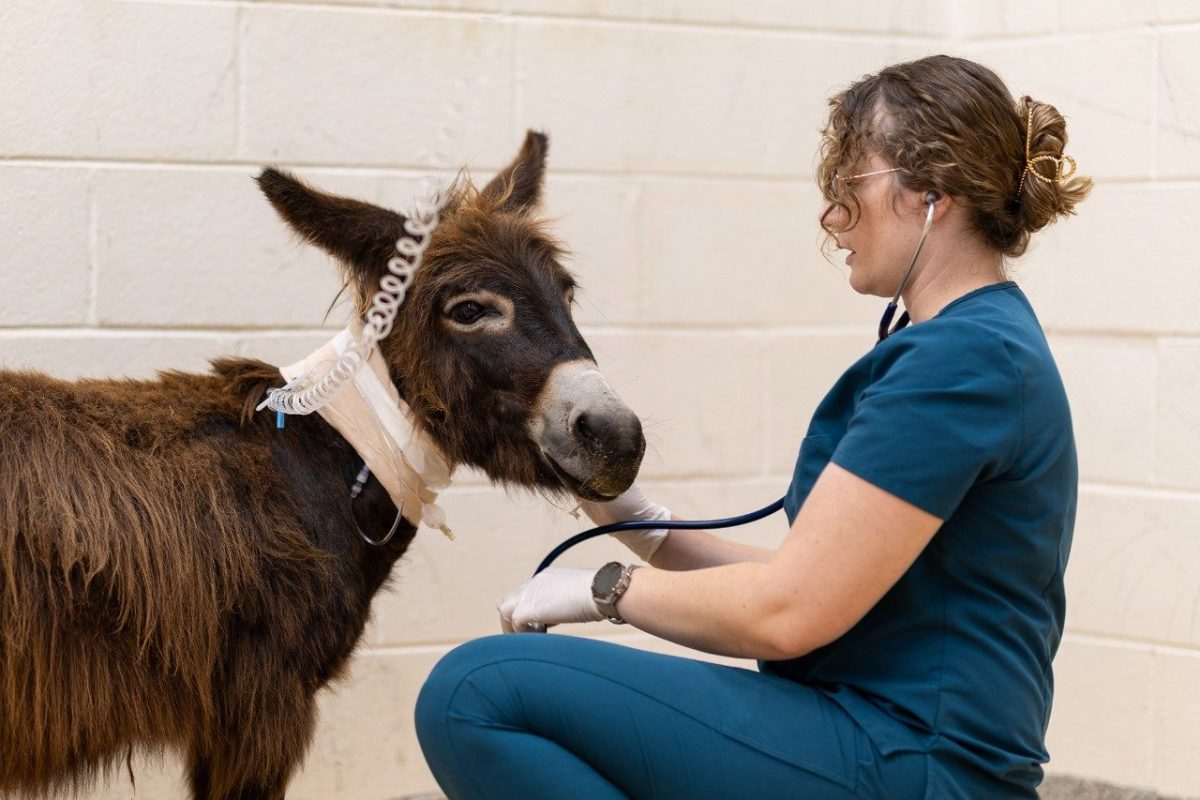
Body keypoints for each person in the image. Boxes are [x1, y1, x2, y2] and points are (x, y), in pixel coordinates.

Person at [414, 54, 1093, 799]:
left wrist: (605, 588)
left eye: (848, 186)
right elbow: (811, 580)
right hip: (876, 734)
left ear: (931, 193)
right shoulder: (979, 343)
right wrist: (648, 529)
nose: (832, 216)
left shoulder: (966, 360)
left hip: (915, 761)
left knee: (475, 692)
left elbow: (787, 613)